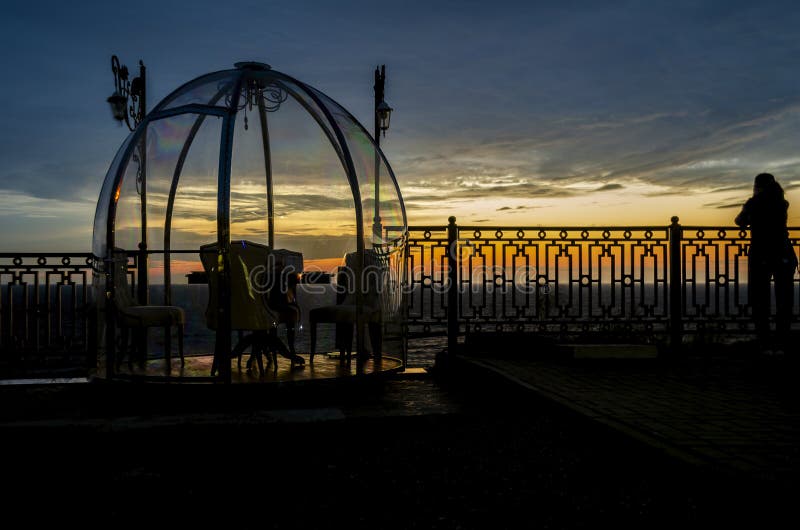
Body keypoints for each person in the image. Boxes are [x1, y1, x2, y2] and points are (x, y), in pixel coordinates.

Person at [734, 172, 798, 353]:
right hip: (784, 255)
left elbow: (739, 222)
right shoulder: (782, 203)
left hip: (761, 256)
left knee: (760, 300)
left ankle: (764, 342)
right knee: (784, 300)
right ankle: (782, 341)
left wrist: (748, 205)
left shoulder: (754, 203)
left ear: (757, 186)